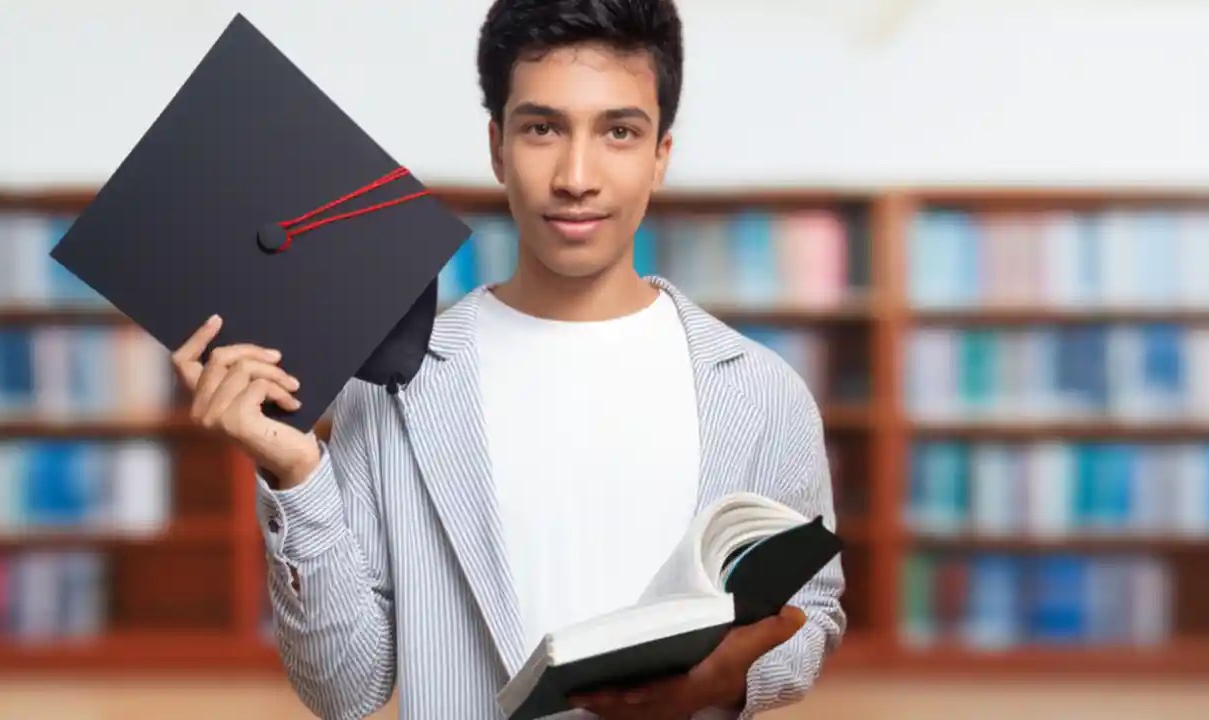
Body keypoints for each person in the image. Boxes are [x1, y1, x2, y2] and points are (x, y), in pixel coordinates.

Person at [169, 0, 846, 717]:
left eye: (618, 131)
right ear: (497, 146)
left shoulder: (763, 391)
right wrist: (295, 473)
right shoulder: (393, 385)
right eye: (542, 128)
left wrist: (727, 680)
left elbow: (814, 613)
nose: (576, 176)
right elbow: (345, 688)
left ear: (661, 157)